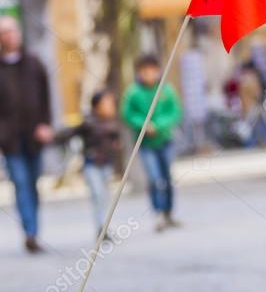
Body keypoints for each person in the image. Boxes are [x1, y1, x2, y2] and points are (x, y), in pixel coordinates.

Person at [0, 16, 53, 253]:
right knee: (20, 183)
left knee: (33, 182)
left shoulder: (34, 63)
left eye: (12, 31)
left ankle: (35, 229)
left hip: (34, 135)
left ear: (18, 33)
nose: (9, 36)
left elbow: (45, 97)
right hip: (9, 139)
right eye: (3, 32)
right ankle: (30, 233)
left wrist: (45, 124)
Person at [121, 54, 183, 231]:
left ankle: (169, 212)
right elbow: (127, 113)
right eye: (145, 71)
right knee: (154, 178)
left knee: (167, 178)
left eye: (152, 70)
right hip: (146, 144)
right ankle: (157, 212)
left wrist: (159, 125)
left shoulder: (166, 90)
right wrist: (143, 124)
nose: (149, 74)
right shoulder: (133, 93)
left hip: (165, 140)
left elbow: (175, 112)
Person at [56, 89, 123, 237]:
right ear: (97, 106)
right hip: (92, 164)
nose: (110, 106)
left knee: (105, 196)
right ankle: (100, 227)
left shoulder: (113, 121)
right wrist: (55, 137)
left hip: (107, 165)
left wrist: (116, 144)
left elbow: (115, 139)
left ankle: (105, 226)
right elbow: (69, 133)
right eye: (106, 103)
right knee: (98, 194)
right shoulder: (88, 122)